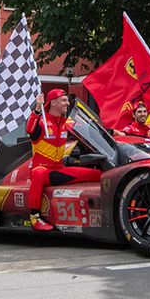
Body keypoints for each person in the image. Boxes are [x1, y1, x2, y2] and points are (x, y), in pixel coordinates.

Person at [25, 89, 101, 231]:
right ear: (53, 103)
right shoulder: (41, 121)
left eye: (67, 100)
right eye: (64, 100)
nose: (67, 103)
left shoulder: (66, 123)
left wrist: (115, 132)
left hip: (59, 169)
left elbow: (90, 132)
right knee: (39, 172)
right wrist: (36, 109)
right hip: (42, 171)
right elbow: (30, 130)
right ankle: (34, 217)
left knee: (97, 175)